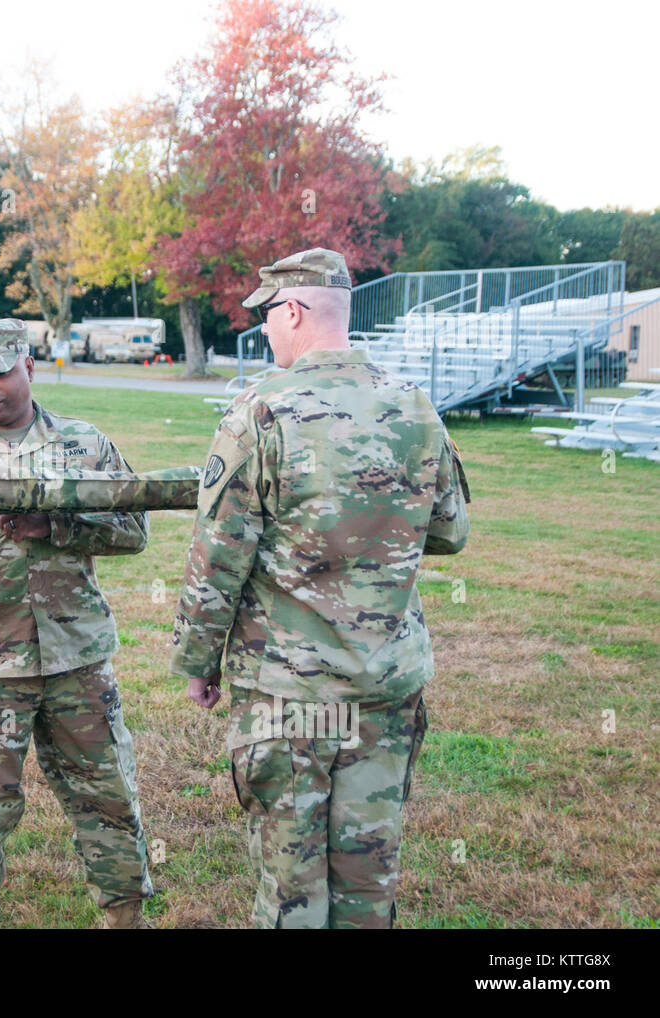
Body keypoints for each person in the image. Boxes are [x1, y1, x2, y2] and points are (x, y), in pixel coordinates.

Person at [171, 248, 470, 929]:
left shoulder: (260, 411)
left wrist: (196, 663)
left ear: (296, 311)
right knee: (369, 879)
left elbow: (218, 558)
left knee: (292, 891)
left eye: (267, 316)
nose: (264, 331)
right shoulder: (415, 407)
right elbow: (451, 531)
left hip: (288, 696)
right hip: (385, 689)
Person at [0, 319, 153, 929]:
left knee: (106, 796)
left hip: (76, 660)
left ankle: (124, 917)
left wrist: (58, 527)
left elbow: (135, 529)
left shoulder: (83, 444)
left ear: (29, 368)